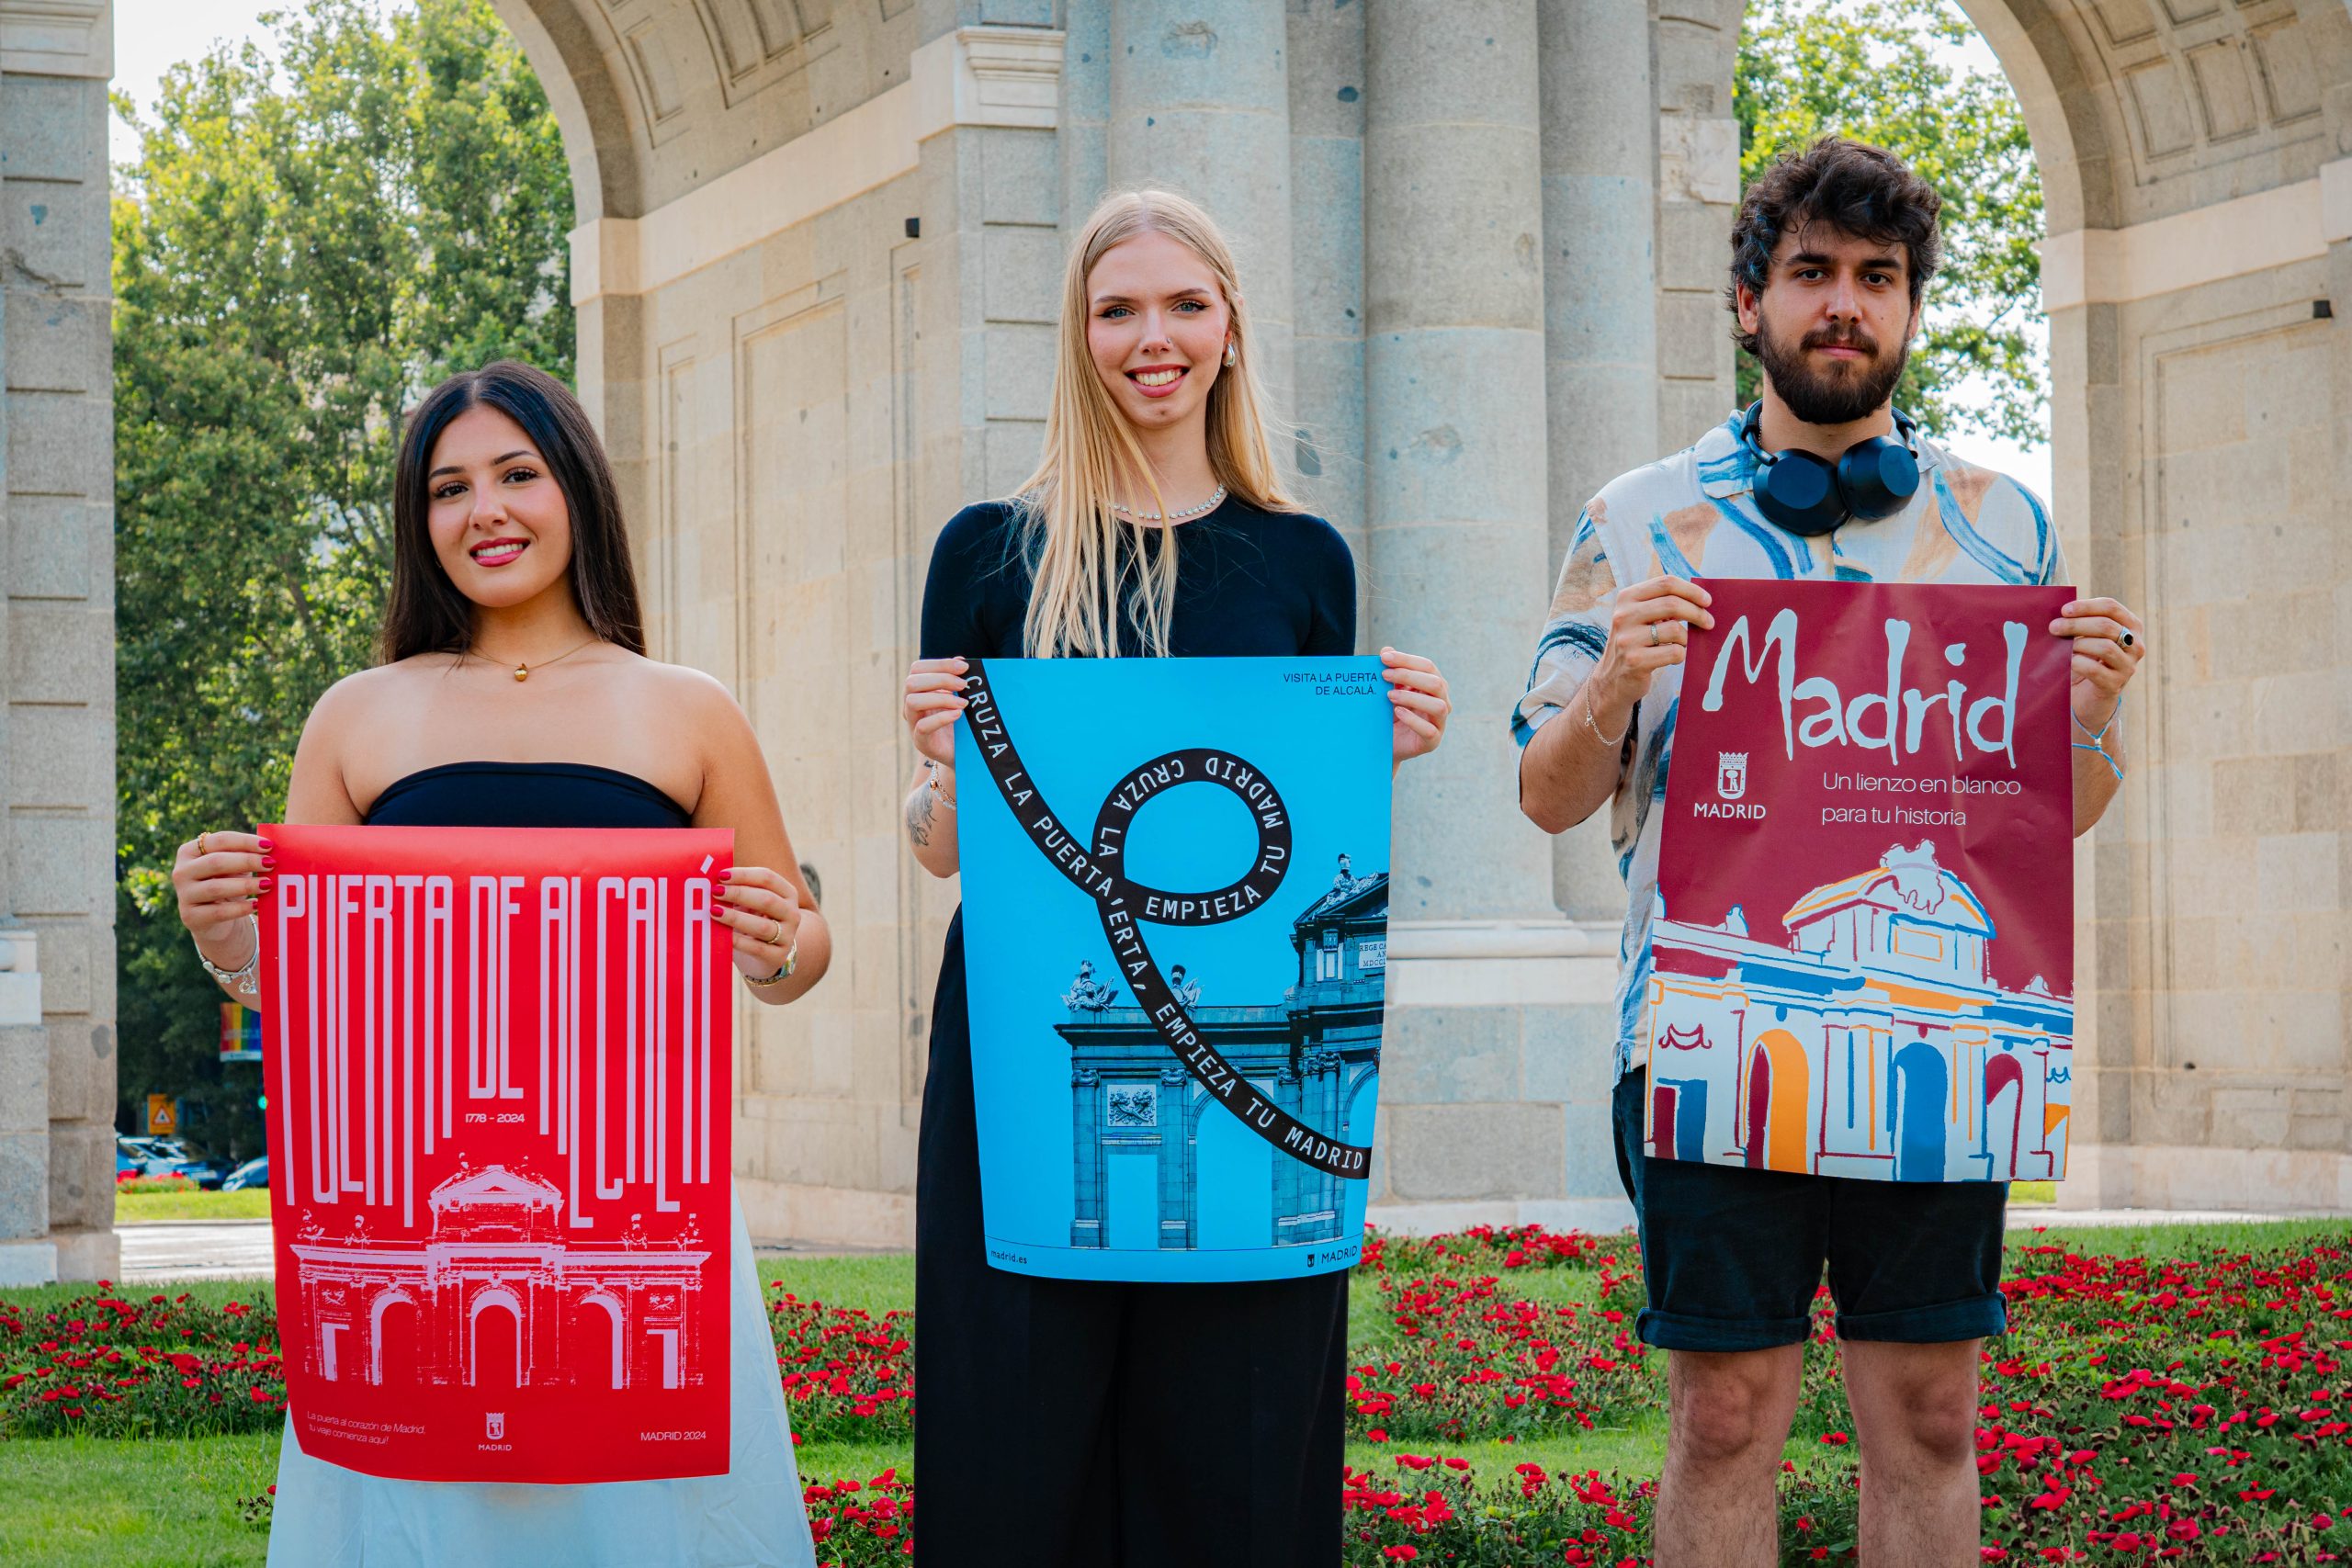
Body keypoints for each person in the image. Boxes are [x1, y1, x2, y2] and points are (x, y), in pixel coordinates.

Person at [1511, 138, 2146, 1568]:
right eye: (1811, 274)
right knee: (1725, 1415)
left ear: (1912, 309)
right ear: (1752, 302)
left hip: (1936, 1033)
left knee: (1929, 1415)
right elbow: (1546, 798)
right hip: (1700, 1035)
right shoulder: (1634, 519)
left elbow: (2045, 822)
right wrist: (1614, 685)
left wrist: (2087, 717)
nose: (1843, 304)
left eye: (1878, 278)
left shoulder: (2005, 527)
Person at [169, 360, 829, 1568]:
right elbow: (295, 979)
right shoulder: (356, 714)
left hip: (639, 1199)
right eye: (449, 487)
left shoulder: (687, 708)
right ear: (420, 525)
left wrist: (782, 942)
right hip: (418, 1202)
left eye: (518, 474)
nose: (488, 511)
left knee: (639, 1515)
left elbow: (792, 942)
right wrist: (227, 939)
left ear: (574, 488)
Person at [899, 189, 1453, 1567]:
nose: (1155, 339)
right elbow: (939, 845)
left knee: (1241, 1444)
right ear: (1078, 336)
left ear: (1229, 326)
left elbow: (1320, 829)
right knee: (1013, 1434)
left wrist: (1397, 748)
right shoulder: (988, 551)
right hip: (1026, 1037)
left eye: (1184, 305)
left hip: (1259, 1046)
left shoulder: (1305, 557)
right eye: (1118, 309)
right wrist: (939, 770)